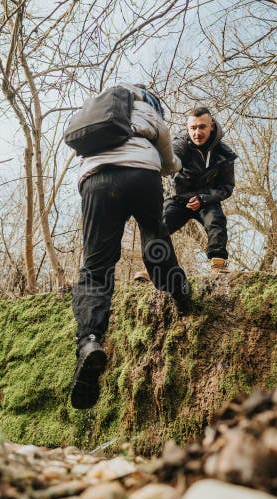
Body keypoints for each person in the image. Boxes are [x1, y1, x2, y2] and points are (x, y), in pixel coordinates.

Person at [70, 84, 192, 410]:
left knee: (96, 267)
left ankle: (90, 341)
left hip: (95, 181)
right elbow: (168, 162)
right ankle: (174, 286)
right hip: (141, 174)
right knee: (153, 234)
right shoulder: (148, 110)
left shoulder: (98, 111)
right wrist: (178, 166)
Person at [161, 107, 237, 274]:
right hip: (178, 198)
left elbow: (227, 187)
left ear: (212, 126)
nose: (197, 133)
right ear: (187, 129)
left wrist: (203, 199)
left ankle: (218, 263)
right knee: (159, 226)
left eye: (202, 127)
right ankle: (155, 267)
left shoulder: (224, 154)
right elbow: (172, 156)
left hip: (206, 198)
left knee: (216, 221)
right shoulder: (180, 143)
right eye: (193, 128)